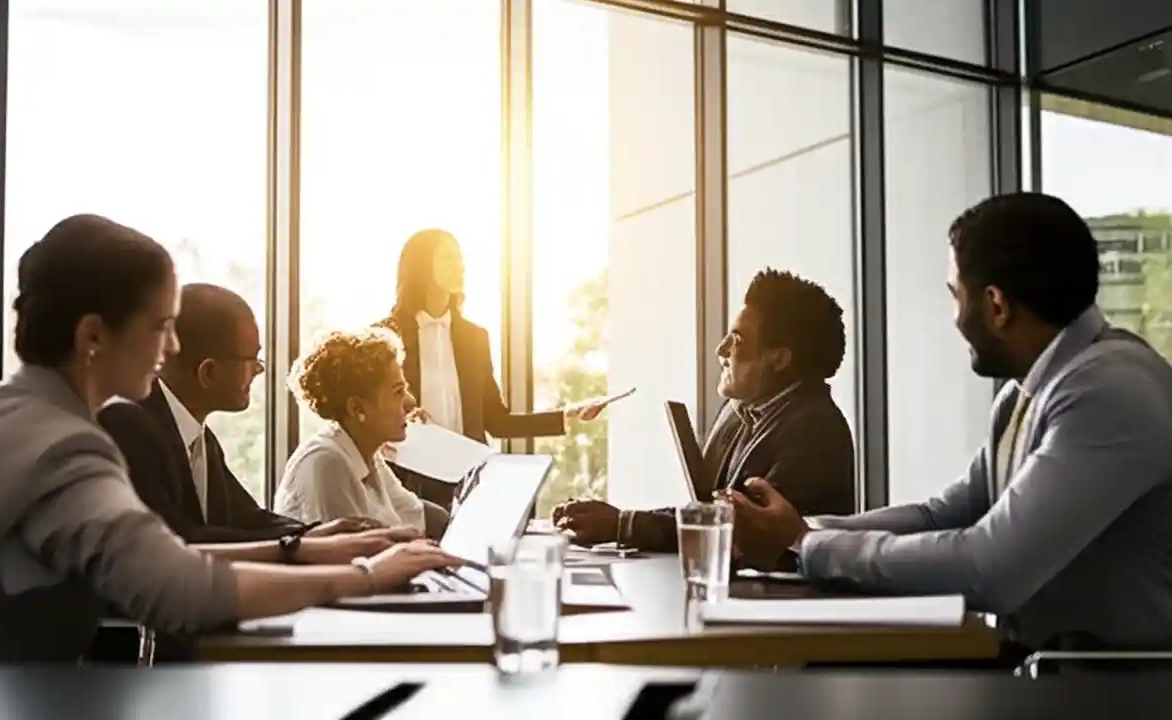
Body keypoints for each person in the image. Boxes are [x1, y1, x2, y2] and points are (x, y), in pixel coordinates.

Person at [0, 214, 458, 662]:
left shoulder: (2, 415)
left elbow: (159, 555)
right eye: (160, 327)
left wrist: (304, 548)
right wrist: (364, 577)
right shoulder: (65, 448)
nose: (172, 348)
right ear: (94, 336)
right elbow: (179, 588)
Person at [724, 193, 1172, 651]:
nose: (954, 318)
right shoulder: (1026, 394)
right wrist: (803, 530)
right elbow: (940, 515)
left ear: (996, 306)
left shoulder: (1109, 394)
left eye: (956, 296)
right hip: (1046, 668)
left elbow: (988, 567)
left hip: (1111, 683)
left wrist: (804, 544)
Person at [554, 269, 856, 551]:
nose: (721, 350)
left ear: (778, 359)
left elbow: (742, 530)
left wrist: (623, 525)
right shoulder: (739, 412)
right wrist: (619, 522)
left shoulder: (816, 433)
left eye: (736, 340)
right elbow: (708, 512)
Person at [98, 283, 387, 543]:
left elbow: (247, 518)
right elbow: (180, 540)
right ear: (209, 372)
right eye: (251, 359)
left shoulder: (200, 437)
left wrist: (312, 533)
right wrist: (301, 546)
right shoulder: (129, 427)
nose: (259, 369)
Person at [378, 229, 614, 506]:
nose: (460, 266)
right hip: (406, 483)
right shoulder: (385, 336)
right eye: (448, 257)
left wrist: (567, 415)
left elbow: (496, 420)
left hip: (468, 482)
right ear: (421, 265)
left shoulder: (474, 337)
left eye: (460, 258)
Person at [276, 328, 450, 539]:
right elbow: (355, 552)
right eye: (397, 392)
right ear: (357, 408)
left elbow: (420, 518)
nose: (411, 402)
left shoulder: (366, 452)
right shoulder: (326, 463)